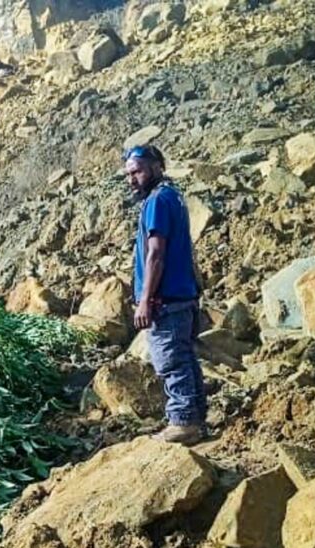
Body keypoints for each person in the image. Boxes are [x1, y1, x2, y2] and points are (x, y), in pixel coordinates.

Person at [123, 144, 207, 445]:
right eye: (129, 174)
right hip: (181, 295)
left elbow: (156, 253)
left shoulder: (157, 201)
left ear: (157, 166)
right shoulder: (173, 196)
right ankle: (195, 418)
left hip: (166, 300)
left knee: (171, 361)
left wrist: (145, 300)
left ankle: (183, 422)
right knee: (185, 358)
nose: (132, 179)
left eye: (137, 171)